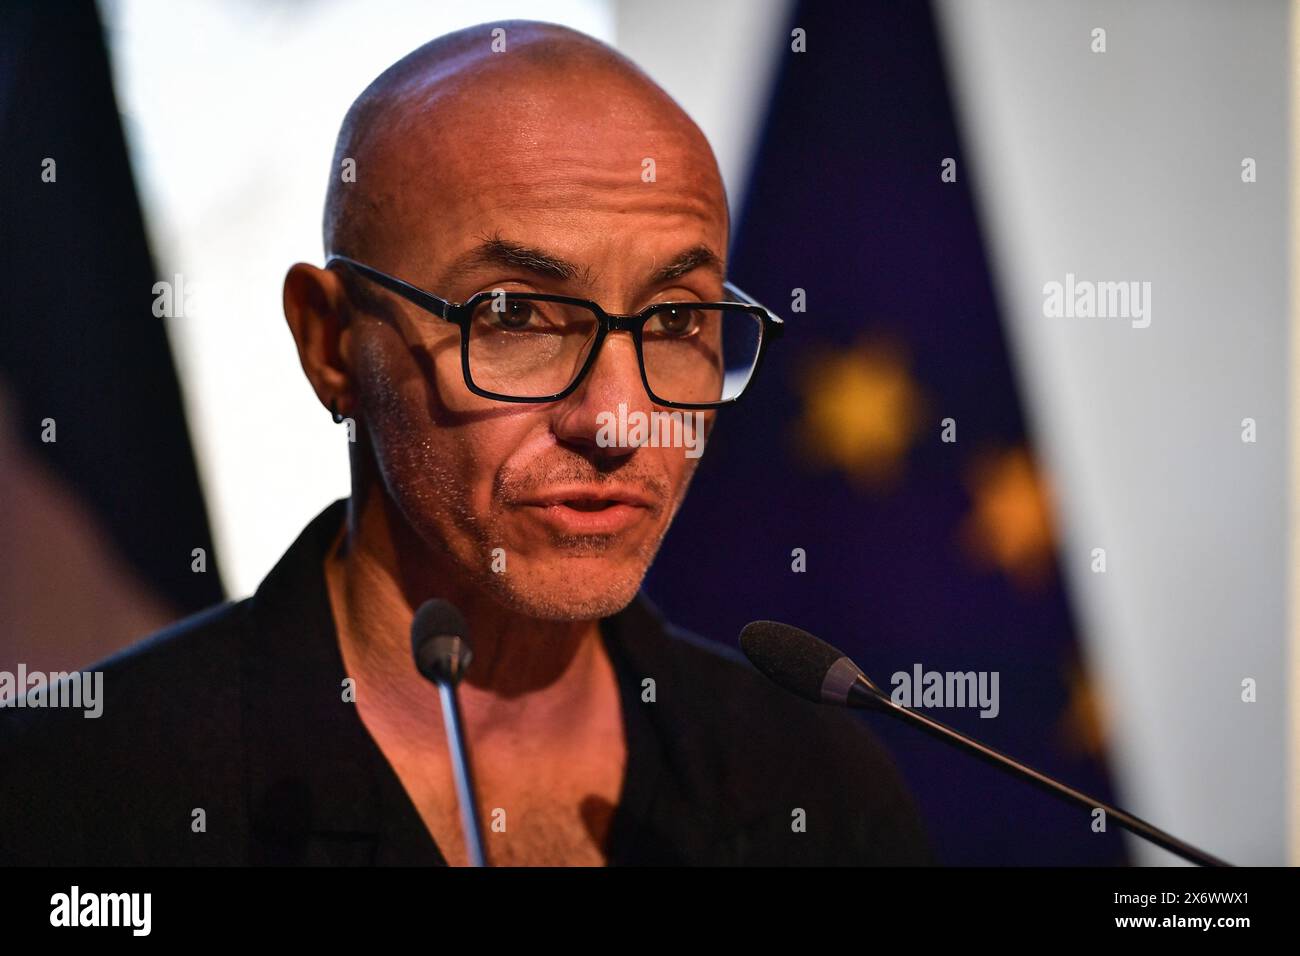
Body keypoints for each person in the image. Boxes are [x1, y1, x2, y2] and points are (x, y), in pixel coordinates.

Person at [0, 19, 931, 866]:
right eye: (519, 314)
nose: (616, 421)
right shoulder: (81, 796)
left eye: (675, 321)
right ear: (330, 344)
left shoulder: (818, 792)